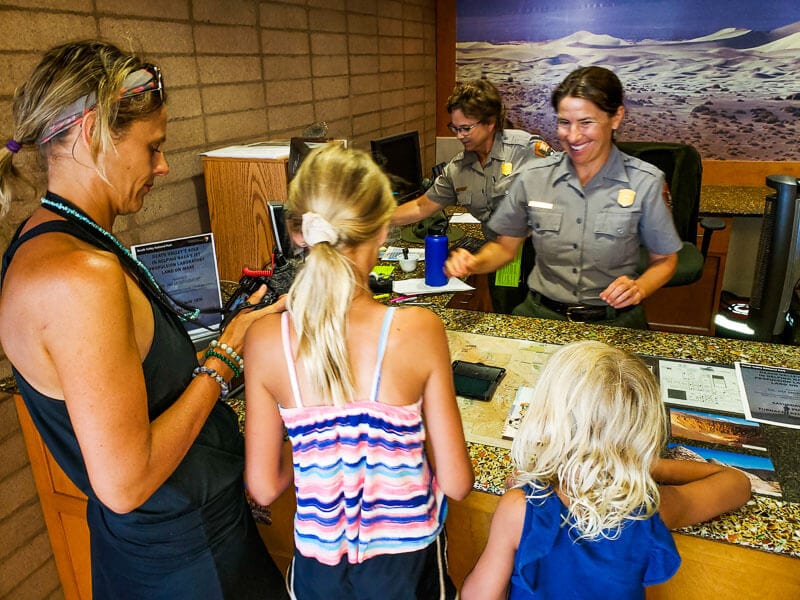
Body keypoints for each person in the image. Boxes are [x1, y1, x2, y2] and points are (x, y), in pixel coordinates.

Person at [0, 41, 289, 598]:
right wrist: (227, 353)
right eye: (153, 146)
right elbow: (126, 481)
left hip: (163, 544)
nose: (163, 165)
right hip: (188, 561)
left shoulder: (51, 239)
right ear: (93, 133)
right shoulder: (79, 276)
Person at [244, 144, 474, 599]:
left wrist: (320, 445)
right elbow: (457, 483)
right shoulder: (419, 329)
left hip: (318, 573)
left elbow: (264, 486)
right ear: (384, 229)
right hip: (407, 571)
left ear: (297, 234)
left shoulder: (264, 341)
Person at [460, 341, 752, 599]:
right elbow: (736, 482)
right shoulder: (652, 508)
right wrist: (638, 464)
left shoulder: (521, 509)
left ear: (548, 419)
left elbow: (479, 595)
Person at [446, 66, 683, 329]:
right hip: (542, 315)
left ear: (616, 117)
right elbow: (504, 248)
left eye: (586, 122)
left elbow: (665, 260)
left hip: (615, 321)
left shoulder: (646, 182)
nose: (573, 136)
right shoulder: (533, 176)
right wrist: (474, 262)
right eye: (564, 122)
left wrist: (640, 286)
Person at [391, 78, 544, 313]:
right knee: (507, 316)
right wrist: (377, 218)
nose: (460, 136)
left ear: (490, 122)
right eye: (455, 128)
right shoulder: (458, 168)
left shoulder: (526, 151)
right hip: (500, 254)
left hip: (542, 254)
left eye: (466, 128)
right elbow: (422, 207)